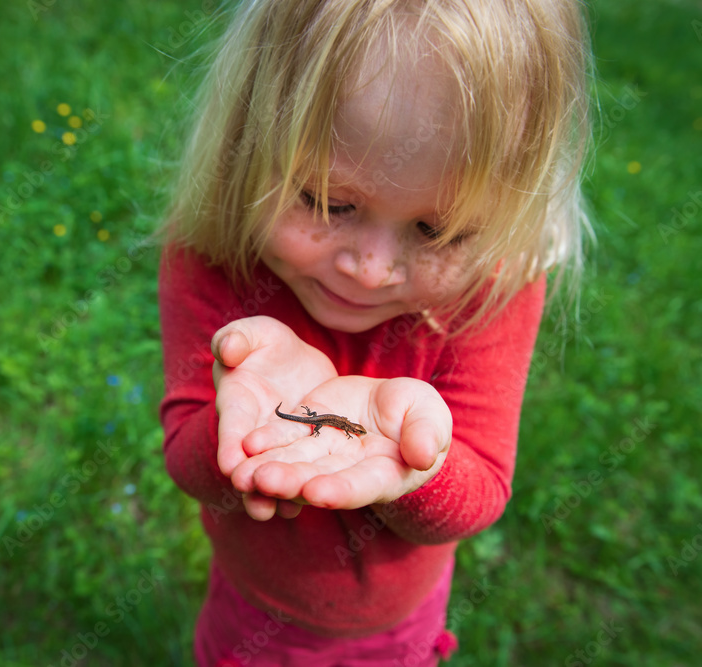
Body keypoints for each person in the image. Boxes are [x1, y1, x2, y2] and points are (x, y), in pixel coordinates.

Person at [159, 0, 591, 664]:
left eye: (436, 231)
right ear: (244, 144)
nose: (372, 268)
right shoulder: (212, 255)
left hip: (399, 625)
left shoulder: (493, 287)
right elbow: (186, 449)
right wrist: (232, 421)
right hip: (250, 609)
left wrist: (420, 462)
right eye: (328, 201)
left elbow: (482, 489)